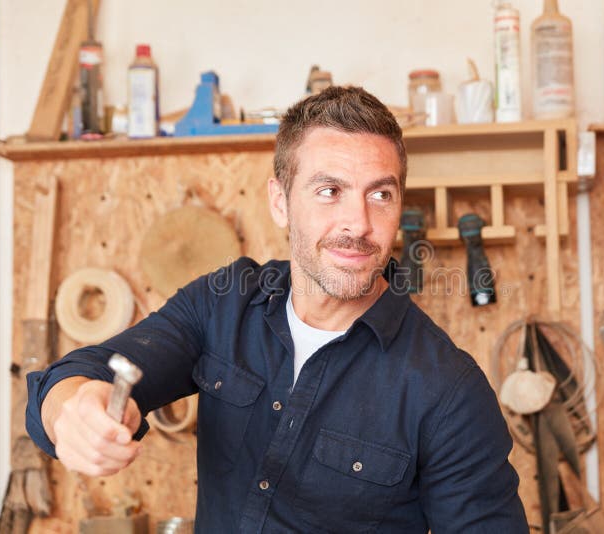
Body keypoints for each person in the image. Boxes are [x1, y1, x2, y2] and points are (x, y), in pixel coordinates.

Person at [26, 86, 528, 532]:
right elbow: (78, 374)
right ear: (281, 201)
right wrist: (72, 410)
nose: (359, 222)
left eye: (380, 194)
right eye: (329, 191)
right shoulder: (223, 304)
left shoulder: (449, 392)